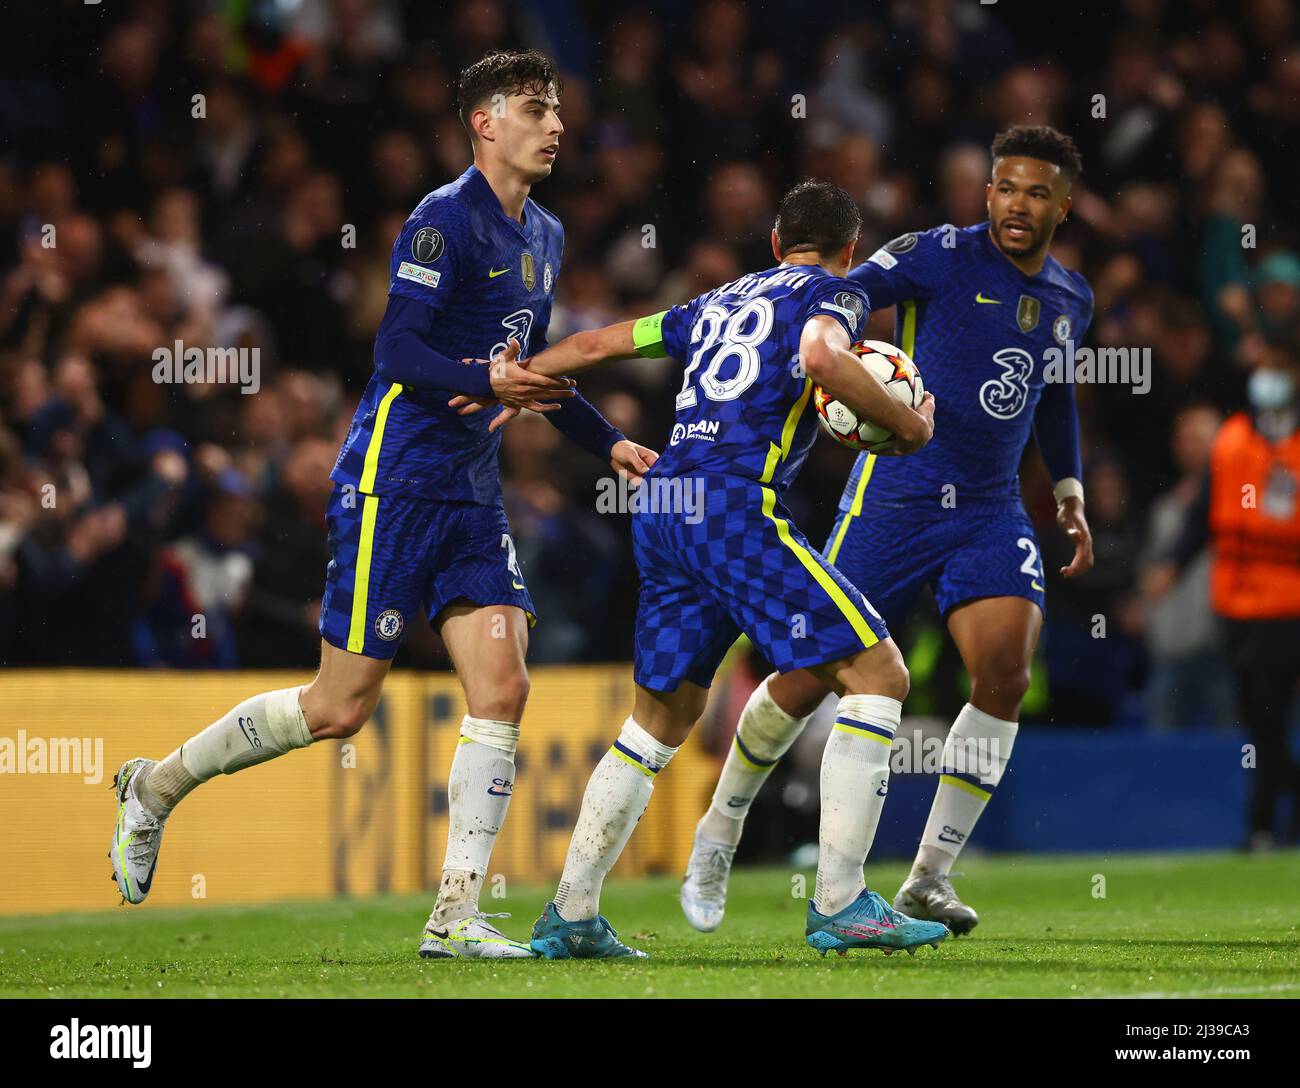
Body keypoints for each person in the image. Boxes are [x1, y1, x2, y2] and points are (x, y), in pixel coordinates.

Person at [108, 50, 656, 960]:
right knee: (339, 707)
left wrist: (610, 444)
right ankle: (154, 788)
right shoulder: (444, 223)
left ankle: (455, 918)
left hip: (472, 495)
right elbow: (397, 351)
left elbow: (534, 367)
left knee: (505, 682)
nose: (556, 125)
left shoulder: (546, 236)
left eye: (557, 109)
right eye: (534, 108)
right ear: (485, 122)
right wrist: (485, 379)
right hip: (393, 484)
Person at [474, 179, 945, 958]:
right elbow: (824, 355)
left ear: (773, 243)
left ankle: (571, 914)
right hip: (730, 503)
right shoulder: (838, 294)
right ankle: (840, 902)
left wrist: (520, 377)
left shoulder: (716, 302)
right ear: (850, 251)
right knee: (880, 674)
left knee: (658, 719)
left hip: (663, 502)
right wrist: (908, 422)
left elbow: (597, 346)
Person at [679, 125, 1096, 935]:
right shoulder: (939, 253)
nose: (1018, 204)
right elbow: (842, 294)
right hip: (892, 499)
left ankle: (926, 879)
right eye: (1006, 187)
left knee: (1005, 674)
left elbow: (1053, 395)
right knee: (804, 680)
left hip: (989, 507)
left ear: (1063, 206)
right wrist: (820, 348)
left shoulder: (1070, 298)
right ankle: (718, 831)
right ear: (988, 193)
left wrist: (1070, 489)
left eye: (1037, 193)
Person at [1146, 359, 1300, 849]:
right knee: (1261, 723)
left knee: (1270, 725)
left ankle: (1261, 826)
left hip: (1291, 606)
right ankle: (1268, 823)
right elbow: (1202, 516)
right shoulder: (1232, 441)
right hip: (1239, 606)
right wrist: (1172, 564)